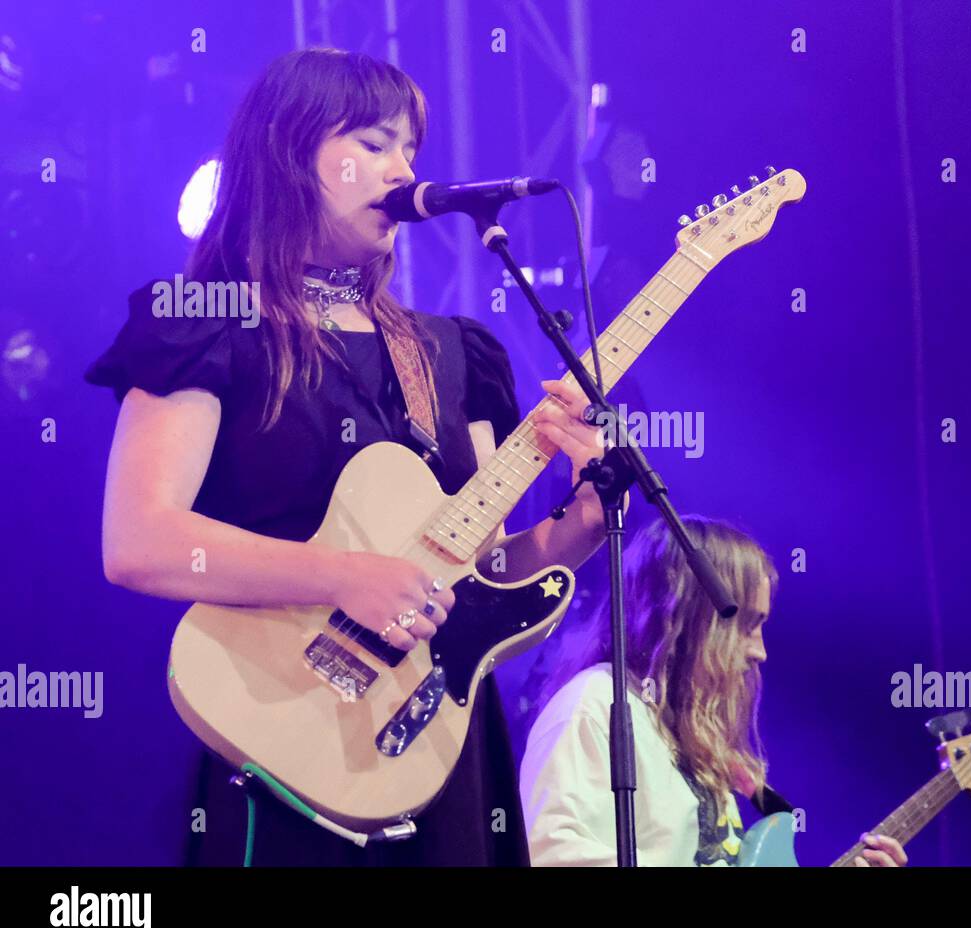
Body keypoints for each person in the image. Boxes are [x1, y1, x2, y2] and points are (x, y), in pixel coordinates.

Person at [85, 48, 612, 866]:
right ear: (291, 153)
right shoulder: (205, 324)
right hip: (283, 741)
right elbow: (140, 541)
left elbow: (486, 570)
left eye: (410, 149)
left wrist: (577, 522)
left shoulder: (452, 351)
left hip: (440, 744)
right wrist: (343, 576)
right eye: (373, 142)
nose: (402, 170)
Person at [519, 515, 909, 867]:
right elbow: (549, 856)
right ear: (684, 616)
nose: (760, 651)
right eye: (747, 624)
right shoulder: (596, 705)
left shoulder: (701, 742)